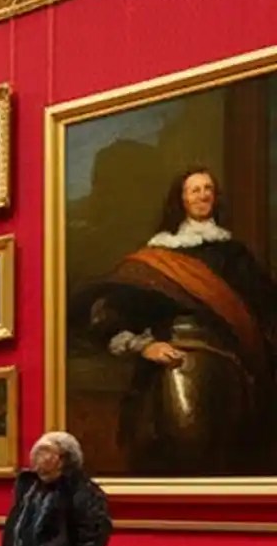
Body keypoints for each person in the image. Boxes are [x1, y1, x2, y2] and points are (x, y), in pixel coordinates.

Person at [72, 167, 277, 475]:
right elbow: (108, 311)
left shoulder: (234, 254)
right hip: (176, 358)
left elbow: (265, 307)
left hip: (233, 361)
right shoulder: (156, 259)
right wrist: (145, 346)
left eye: (208, 189)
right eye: (195, 190)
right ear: (180, 199)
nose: (203, 195)